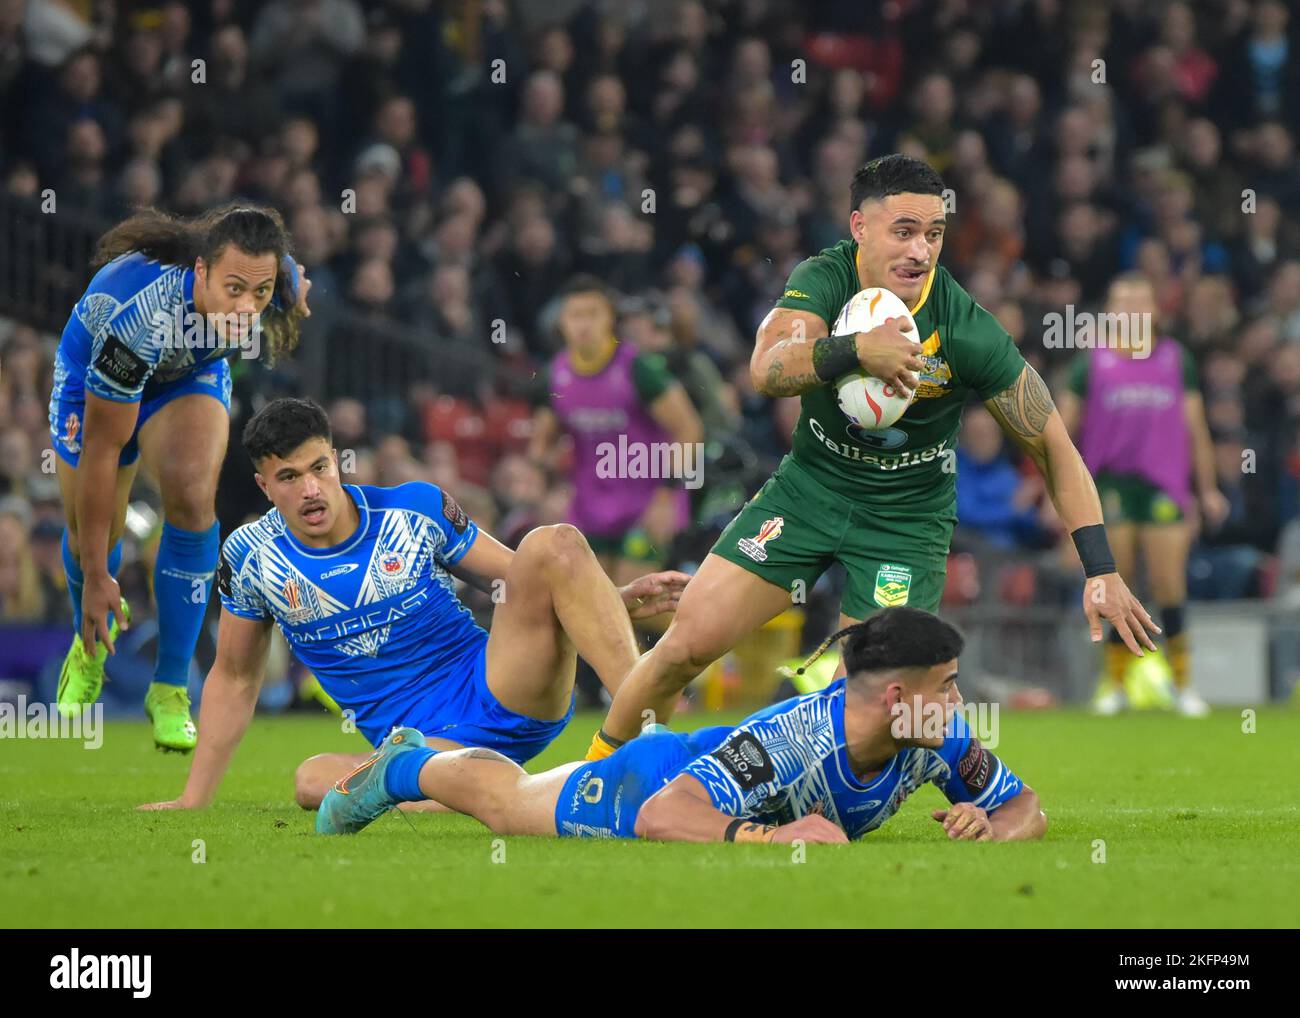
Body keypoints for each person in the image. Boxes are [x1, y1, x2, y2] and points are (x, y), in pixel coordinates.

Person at [586, 154, 1158, 759]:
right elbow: (767, 368)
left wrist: (1101, 569)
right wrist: (857, 349)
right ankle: (592, 782)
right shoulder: (825, 279)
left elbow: (1053, 446)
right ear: (860, 228)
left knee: (866, 708)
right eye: (904, 232)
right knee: (683, 647)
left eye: (934, 235)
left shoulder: (964, 327)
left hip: (905, 524)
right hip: (808, 491)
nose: (921, 251)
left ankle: (862, 794)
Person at [137, 398, 688, 812]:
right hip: (424, 748)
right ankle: (515, 787)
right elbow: (234, 678)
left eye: (318, 469)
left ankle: (647, 744)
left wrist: (606, 599)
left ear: (337, 460)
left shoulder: (413, 509)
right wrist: (194, 799)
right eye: (288, 477)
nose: (310, 489)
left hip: (500, 688)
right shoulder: (251, 557)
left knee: (555, 542)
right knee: (311, 780)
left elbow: (525, 577)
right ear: (264, 485)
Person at [313, 607, 1047, 846]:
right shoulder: (794, 744)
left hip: (689, 780)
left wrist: (994, 826)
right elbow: (669, 816)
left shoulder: (935, 737)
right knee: (507, 809)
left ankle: (410, 766)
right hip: (656, 779)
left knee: (521, 792)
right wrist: (773, 838)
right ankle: (403, 766)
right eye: (946, 689)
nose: (958, 705)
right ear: (896, 696)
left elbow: (1025, 805)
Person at [51, 202, 311, 750]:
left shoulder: (269, 274)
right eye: (233, 290)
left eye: (259, 294)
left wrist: (291, 292)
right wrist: (100, 575)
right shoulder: (138, 320)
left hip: (185, 374)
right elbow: (103, 448)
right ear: (201, 272)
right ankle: (89, 642)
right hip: (93, 379)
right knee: (95, 531)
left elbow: (282, 275)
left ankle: (169, 688)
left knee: (194, 499)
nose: (247, 309)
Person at [1058, 273, 1229, 716]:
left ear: (1155, 310)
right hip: (1109, 484)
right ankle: (1114, 684)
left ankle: (1183, 683)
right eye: (1123, 301)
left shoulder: (1176, 360)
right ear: (1111, 312)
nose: (1132, 308)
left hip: (1163, 486)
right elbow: (1059, 430)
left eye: (1140, 300)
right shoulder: (1091, 364)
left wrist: (1207, 488)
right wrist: (1051, 492)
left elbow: (1196, 428)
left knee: (1171, 583)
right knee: (1118, 580)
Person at [529, 275, 702, 592]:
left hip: (648, 503)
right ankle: (701, 633)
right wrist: (547, 483)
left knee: (630, 595)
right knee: (596, 600)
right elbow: (541, 445)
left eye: (593, 313)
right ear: (562, 322)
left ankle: (706, 635)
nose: (584, 324)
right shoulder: (556, 376)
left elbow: (689, 428)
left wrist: (668, 496)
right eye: (575, 315)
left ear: (610, 317)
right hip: (589, 507)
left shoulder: (639, 369)